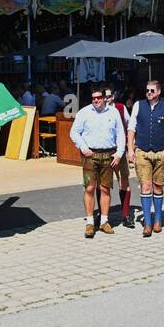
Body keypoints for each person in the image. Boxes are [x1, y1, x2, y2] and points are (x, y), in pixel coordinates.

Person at [69, 87, 125, 238]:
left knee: (105, 188)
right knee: (90, 188)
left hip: (108, 154)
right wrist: (83, 147)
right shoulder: (84, 112)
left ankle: (104, 221)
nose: (96, 100)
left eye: (99, 97)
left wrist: (119, 153)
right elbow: (74, 132)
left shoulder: (113, 113)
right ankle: (89, 223)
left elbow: (120, 133)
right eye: (93, 98)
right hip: (90, 155)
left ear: (105, 98)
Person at [127, 79, 164, 236]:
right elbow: (131, 128)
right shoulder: (138, 105)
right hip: (142, 150)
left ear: (159, 92)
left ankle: (158, 220)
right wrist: (130, 149)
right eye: (147, 90)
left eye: (152, 91)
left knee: (158, 187)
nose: (149, 93)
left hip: (161, 151)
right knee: (145, 186)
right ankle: (147, 223)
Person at [107, 86, 131, 231]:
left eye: (109, 96)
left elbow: (129, 127)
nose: (107, 99)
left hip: (120, 151)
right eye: (105, 96)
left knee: (124, 181)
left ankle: (126, 215)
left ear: (113, 97)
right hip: (106, 151)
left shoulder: (121, 108)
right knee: (104, 184)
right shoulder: (99, 111)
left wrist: (129, 148)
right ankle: (104, 216)